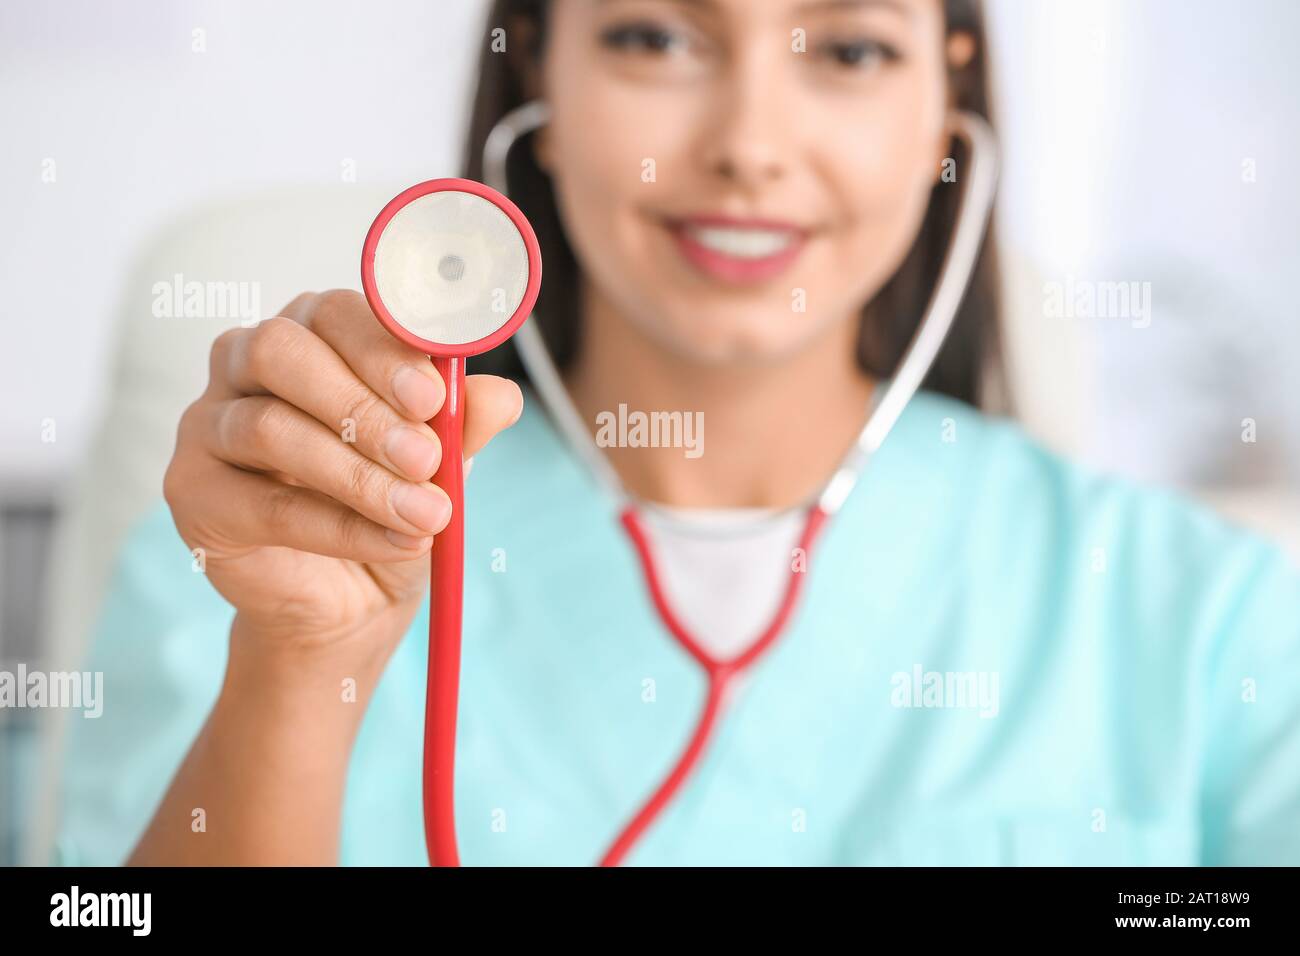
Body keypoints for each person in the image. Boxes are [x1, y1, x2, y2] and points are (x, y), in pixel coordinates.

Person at [56, 0, 1299, 866]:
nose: (748, 146)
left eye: (851, 49)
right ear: (538, 63)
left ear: (946, 94)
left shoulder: (1203, 615)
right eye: (655, 35)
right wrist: (294, 670)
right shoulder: (275, 535)